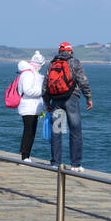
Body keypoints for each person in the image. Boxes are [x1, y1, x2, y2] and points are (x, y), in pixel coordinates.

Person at [42, 41, 93, 171]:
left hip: (56, 101)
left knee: (57, 131)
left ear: (59, 51)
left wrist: (47, 103)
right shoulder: (74, 62)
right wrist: (88, 98)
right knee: (75, 131)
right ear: (70, 51)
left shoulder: (52, 64)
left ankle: (55, 163)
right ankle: (75, 165)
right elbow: (83, 81)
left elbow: (45, 86)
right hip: (71, 99)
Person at [16, 51, 45, 162]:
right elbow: (27, 90)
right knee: (29, 132)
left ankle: (26, 155)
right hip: (28, 107)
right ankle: (25, 157)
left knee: (30, 132)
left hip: (32, 107)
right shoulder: (28, 74)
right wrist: (42, 91)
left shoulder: (29, 73)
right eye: (42, 66)